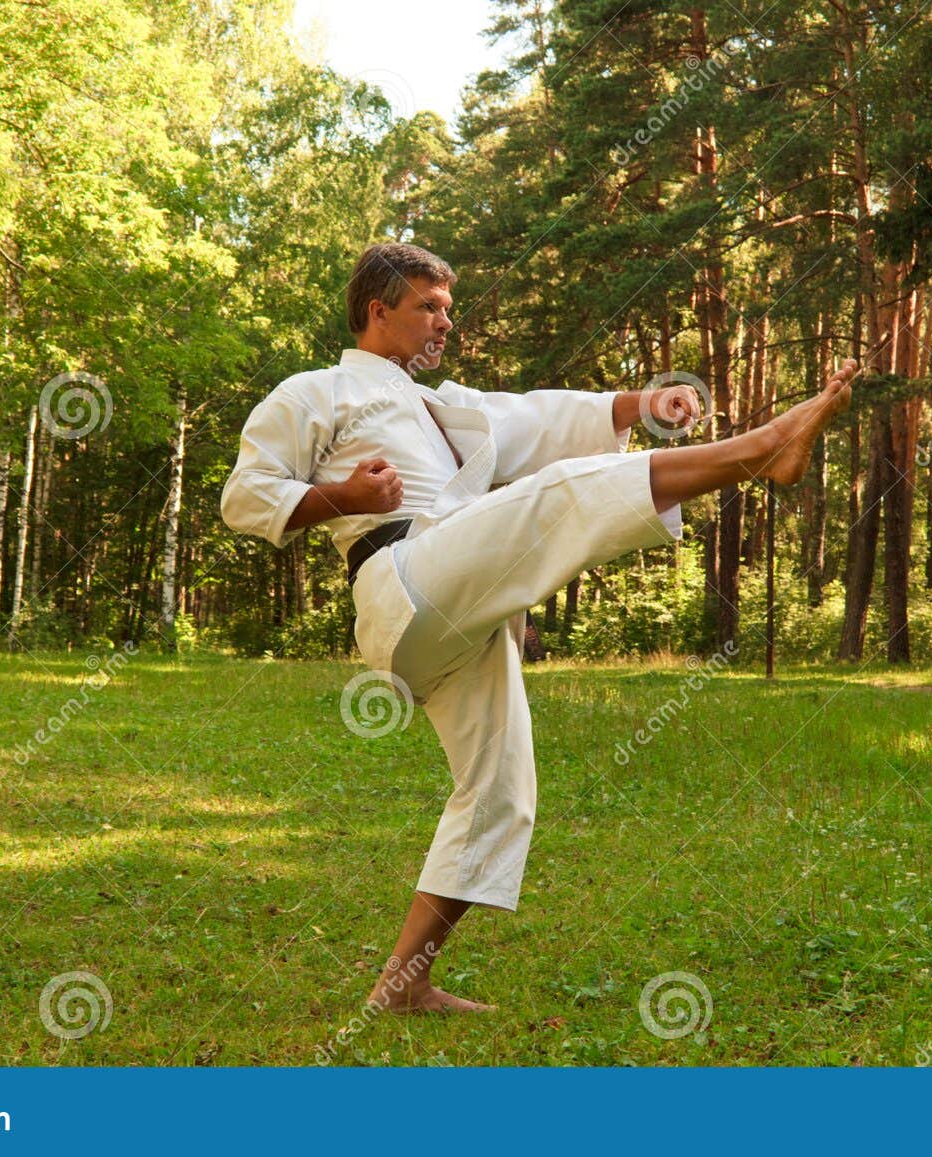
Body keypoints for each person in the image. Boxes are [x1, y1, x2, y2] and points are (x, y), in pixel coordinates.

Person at [221, 242, 858, 1013]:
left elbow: (533, 415)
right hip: (405, 577)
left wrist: (637, 406)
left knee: (500, 789)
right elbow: (247, 494)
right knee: (558, 493)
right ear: (376, 310)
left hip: (457, 601)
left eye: (449, 307)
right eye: (429, 305)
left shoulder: (443, 405)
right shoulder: (316, 391)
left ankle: (402, 983)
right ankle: (761, 451)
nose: (445, 320)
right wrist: (341, 494)